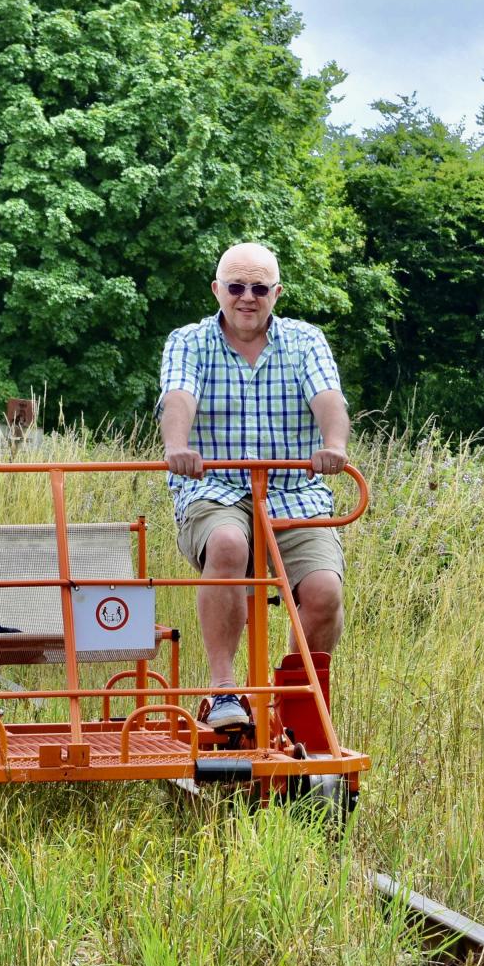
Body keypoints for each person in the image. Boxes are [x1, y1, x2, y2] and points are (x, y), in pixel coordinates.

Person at [157, 242, 350, 729]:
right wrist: (178, 447)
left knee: (324, 591)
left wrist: (333, 445)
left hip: (292, 490)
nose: (247, 297)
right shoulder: (189, 341)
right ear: (217, 290)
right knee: (227, 544)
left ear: (276, 294)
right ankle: (224, 691)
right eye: (237, 287)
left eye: (259, 288)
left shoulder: (304, 341)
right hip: (215, 487)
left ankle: (295, 705)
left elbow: (329, 398)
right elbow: (178, 397)